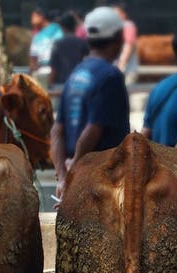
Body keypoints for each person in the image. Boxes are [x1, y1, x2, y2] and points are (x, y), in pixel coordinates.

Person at [52, 6, 130, 199]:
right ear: (119, 38)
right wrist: (74, 171)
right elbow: (93, 130)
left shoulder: (76, 73)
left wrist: (63, 177)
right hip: (105, 183)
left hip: (79, 178)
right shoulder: (110, 76)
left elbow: (57, 131)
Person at [49, 11, 89, 86]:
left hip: (60, 85)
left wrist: (50, 85)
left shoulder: (58, 44)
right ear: (75, 27)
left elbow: (54, 68)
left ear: (62, 27)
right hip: (78, 83)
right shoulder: (82, 43)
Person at [29, 7, 63, 85]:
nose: (31, 20)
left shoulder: (38, 37)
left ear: (41, 17)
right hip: (59, 72)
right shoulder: (59, 30)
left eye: (33, 17)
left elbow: (33, 59)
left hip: (44, 72)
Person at [113, 3, 138, 85]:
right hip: (117, 72)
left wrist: (119, 67)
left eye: (116, 14)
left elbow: (128, 46)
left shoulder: (128, 26)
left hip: (126, 72)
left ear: (123, 14)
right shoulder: (115, 28)